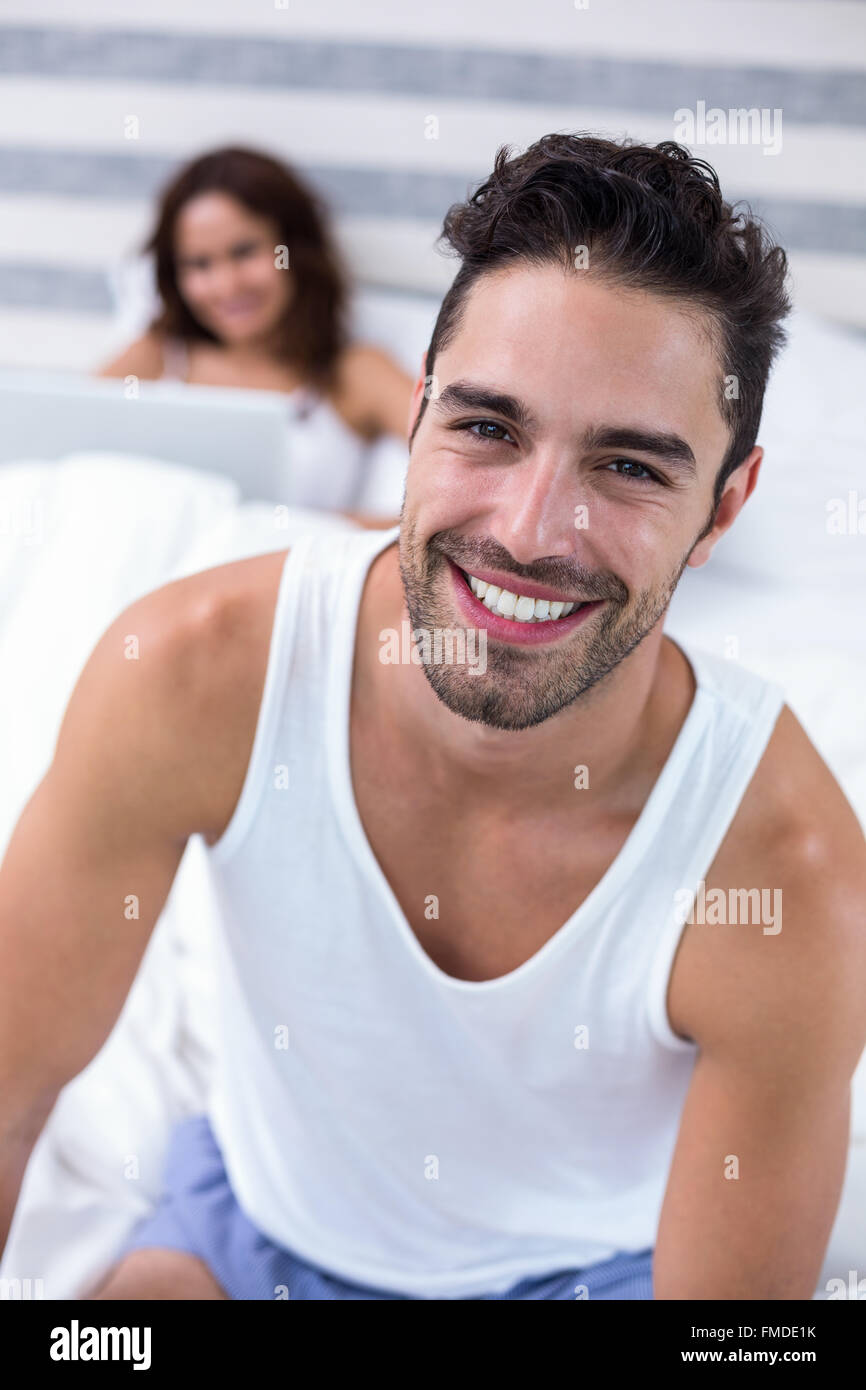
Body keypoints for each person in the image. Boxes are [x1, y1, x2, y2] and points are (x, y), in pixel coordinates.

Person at [3, 133, 866, 1302]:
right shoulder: (192, 675)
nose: (527, 529)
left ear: (724, 508)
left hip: (586, 1273)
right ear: (413, 418)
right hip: (251, 1222)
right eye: (486, 428)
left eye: (628, 467)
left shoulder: (786, 866)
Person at [97, 145, 412, 525]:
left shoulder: (355, 373)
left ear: (293, 250)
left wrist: (325, 526)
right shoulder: (157, 357)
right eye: (199, 264)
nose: (227, 286)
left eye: (245, 251)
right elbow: (57, 450)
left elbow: (466, 450)